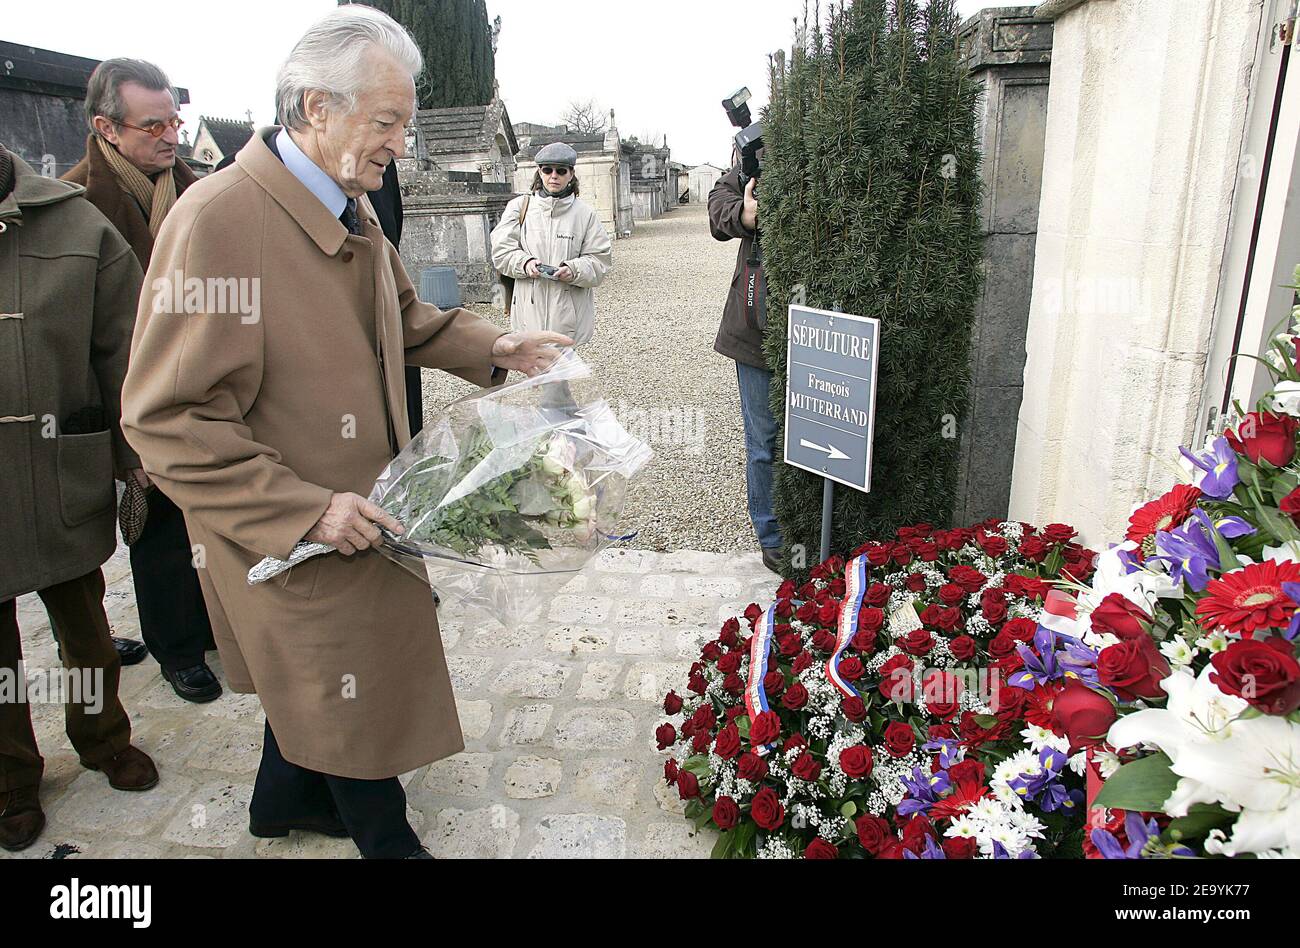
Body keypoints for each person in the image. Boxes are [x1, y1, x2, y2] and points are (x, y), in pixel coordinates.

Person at [120, 6, 570, 859]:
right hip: (295, 530)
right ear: (317, 107)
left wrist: (498, 345)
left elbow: (402, 316)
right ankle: (383, 835)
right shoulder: (218, 222)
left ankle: (283, 800)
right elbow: (164, 418)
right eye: (388, 121)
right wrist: (300, 510)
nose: (402, 141)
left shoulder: (347, 203)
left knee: (325, 676)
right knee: (339, 687)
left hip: (365, 511)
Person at [0, 142, 160, 852]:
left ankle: (102, 739)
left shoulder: (76, 227)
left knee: (86, 630)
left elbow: (123, 352)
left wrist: (133, 458)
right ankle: (9, 780)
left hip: (59, 470)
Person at [63, 58, 221, 703]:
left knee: (212, 518)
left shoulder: (202, 189)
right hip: (134, 397)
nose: (170, 136)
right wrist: (122, 442)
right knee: (157, 528)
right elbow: (83, 335)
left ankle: (213, 621)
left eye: (175, 122)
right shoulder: (74, 205)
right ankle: (176, 647)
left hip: (210, 386)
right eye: (152, 125)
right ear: (107, 127)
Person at [709, 161, 784, 574]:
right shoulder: (762, 149)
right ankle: (772, 538)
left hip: (827, 330)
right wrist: (744, 214)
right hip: (756, 330)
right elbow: (718, 203)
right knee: (765, 441)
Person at [490, 142, 612, 346]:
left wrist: (572, 270)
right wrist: (525, 263)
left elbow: (600, 261)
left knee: (557, 373)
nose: (553, 176)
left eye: (561, 170)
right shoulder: (519, 207)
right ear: (539, 172)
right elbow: (501, 252)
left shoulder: (585, 215)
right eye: (547, 170)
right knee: (534, 370)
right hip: (528, 312)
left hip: (567, 313)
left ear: (571, 174)